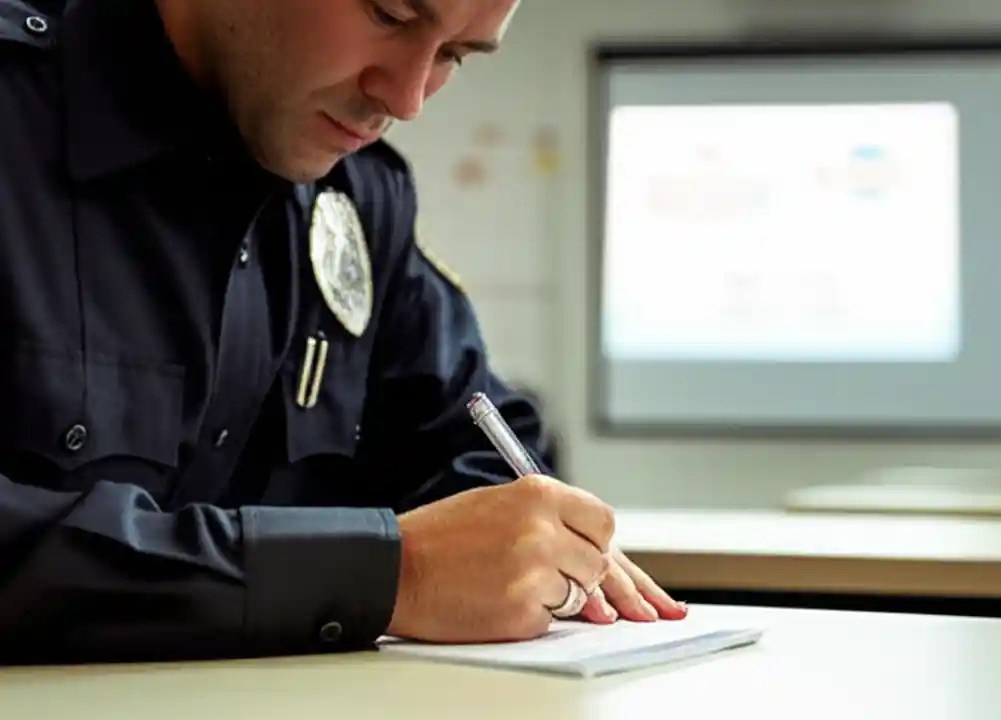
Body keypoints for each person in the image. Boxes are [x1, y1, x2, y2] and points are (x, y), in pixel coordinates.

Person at [0, 0, 685, 664]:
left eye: (453, 55)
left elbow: (477, 453)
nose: (408, 98)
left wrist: (523, 543)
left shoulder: (357, 197)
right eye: (388, 15)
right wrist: (383, 572)